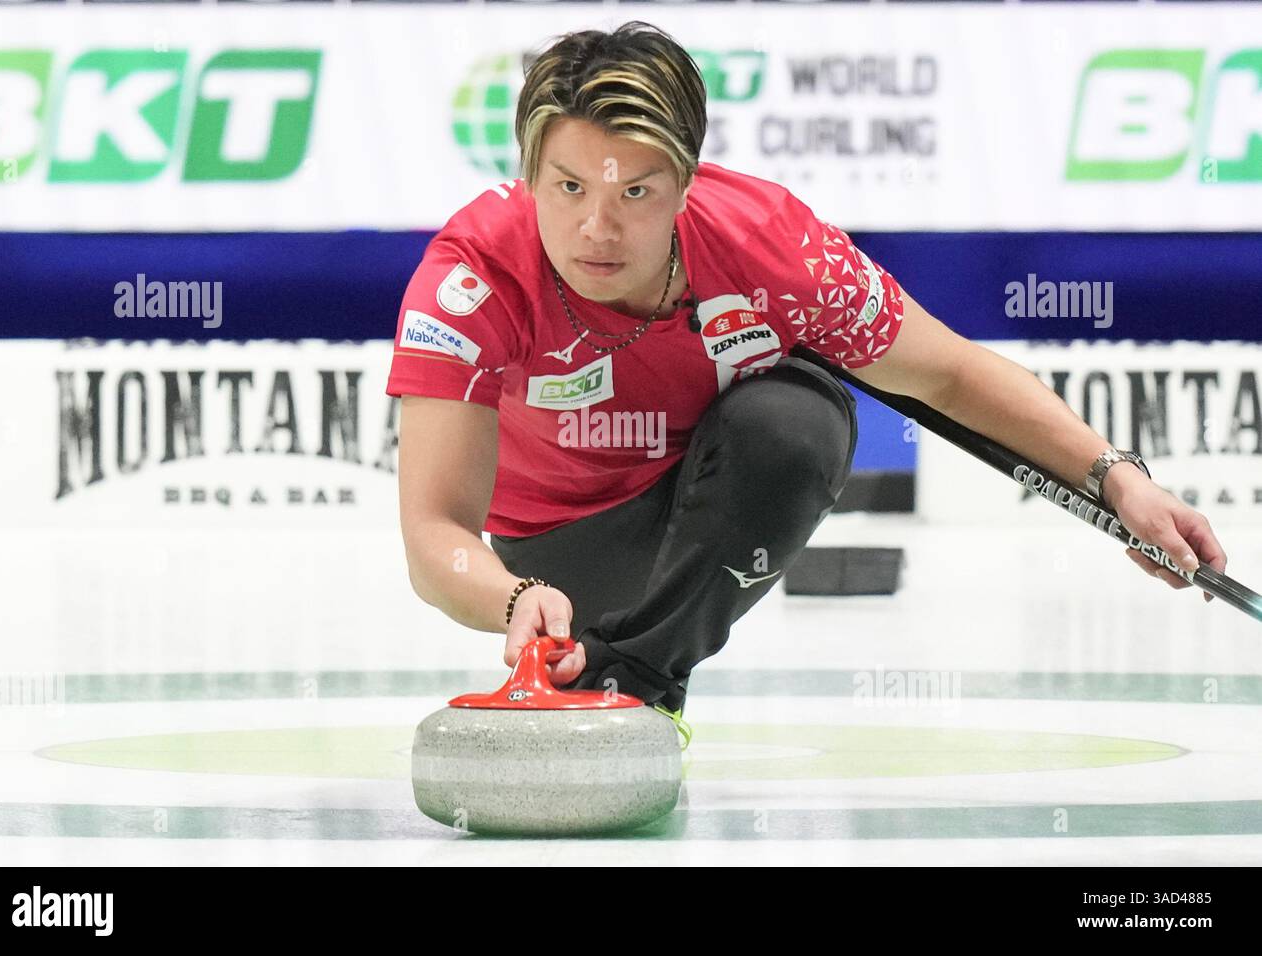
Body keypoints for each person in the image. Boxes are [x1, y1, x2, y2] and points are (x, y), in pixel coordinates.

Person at [388, 21, 1227, 725]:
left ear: (686, 182)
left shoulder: (772, 246)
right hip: (556, 556)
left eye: (636, 193)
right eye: (568, 187)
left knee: (798, 419)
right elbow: (434, 536)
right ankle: (616, 668)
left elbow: (952, 378)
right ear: (530, 174)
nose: (596, 227)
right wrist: (510, 600)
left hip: (709, 518)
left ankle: (632, 687)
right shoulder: (470, 281)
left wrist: (1122, 482)